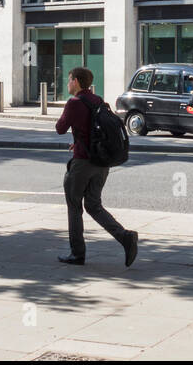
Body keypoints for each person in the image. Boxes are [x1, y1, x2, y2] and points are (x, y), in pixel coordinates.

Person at [54, 66, 138, 267]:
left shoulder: (74, 103)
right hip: (102, 162)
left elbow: (60, 128)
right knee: (93, 205)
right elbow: (95, 130)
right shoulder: (98, 101)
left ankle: (77, 253)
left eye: (69, 79)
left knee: (74, 206)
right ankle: (125, 237)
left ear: (76, 81)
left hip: (82, 162)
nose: (68, 84)